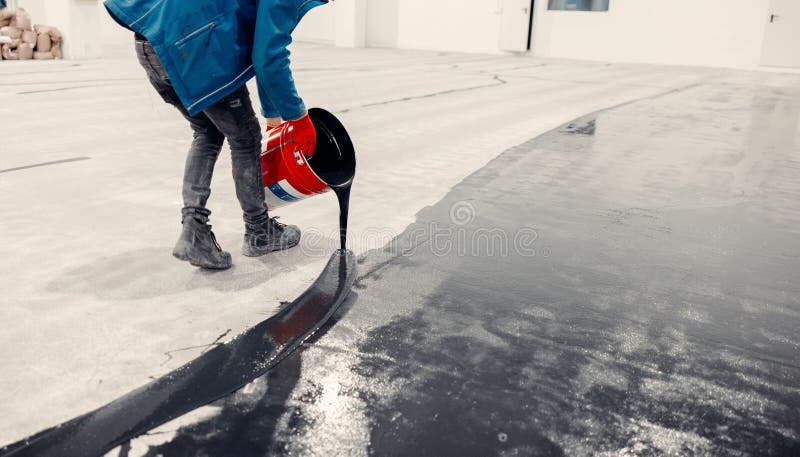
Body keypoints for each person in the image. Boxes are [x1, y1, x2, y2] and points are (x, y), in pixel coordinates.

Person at [103, 0, 328, 270]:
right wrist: (298, 117)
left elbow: (263, 46)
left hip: (152, 44)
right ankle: (259, 231)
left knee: (207, 131)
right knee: (244, 139)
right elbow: (269, 56)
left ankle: (194, 230)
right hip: (194, 45)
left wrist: (272, 116)